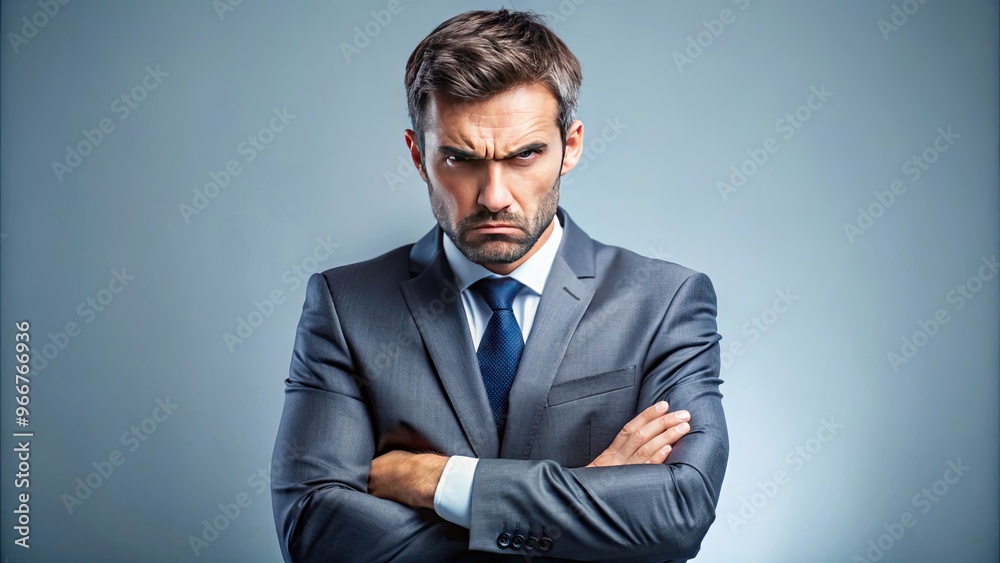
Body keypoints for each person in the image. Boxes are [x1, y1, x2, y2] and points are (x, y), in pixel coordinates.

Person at [270, 9, 728, 562]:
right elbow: (315, 531)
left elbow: (679, 515)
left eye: (525, 155)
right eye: (460, 159)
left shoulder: (664, 302)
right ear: (419, 155)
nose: (494, 196)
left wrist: (440, 482)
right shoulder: (346, 306)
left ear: (571, 146)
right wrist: (584, 507)